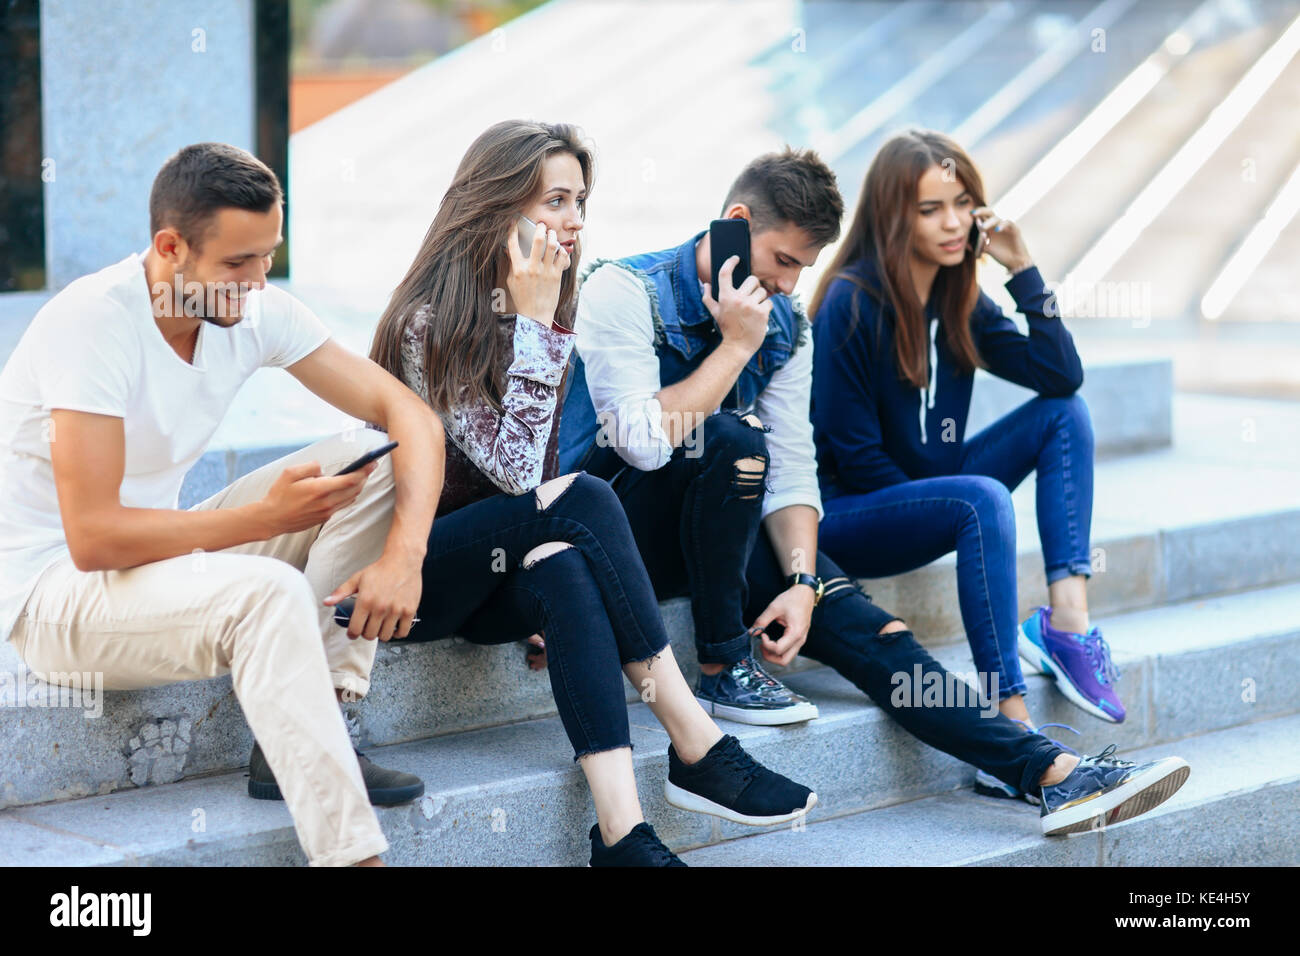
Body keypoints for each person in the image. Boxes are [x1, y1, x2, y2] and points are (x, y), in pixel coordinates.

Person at [559, 145, 1189, 834]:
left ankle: (1050, 773)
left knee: (880, 634)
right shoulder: (626, 289)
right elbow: (642, 445)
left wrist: (801, 580)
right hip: (620, 535)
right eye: (783, 260)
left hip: (724, 532)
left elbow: (794, 467)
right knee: (735, 441)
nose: (790, 284)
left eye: (804, 266)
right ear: (737, 222)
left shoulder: (785, 326)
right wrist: (734, 347)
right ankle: (723, 666)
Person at [368, 120, 816, 867]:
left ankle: (622, 837)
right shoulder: (426, 325)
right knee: (579, 500)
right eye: (555, 201)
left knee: (569, 560)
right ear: (495, 205)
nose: (574, 220)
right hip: (426, 575)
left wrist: (543, 320)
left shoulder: (552, 305)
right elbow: (515, 473)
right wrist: (540, 325)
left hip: (505, 575)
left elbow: (538, 476)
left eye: (581, 201)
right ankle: (698, 745)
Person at [0, 143, 443, 866]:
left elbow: (410, 416)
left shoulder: (253, 305)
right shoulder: (93, 324)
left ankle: (320, 711)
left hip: (165, 564)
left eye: (269, 256)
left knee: (368, 457)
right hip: (56, 597)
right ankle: (357, 858)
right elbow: (94, 540)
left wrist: (405, 557)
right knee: (269, 593)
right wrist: (264, 520)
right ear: (170, 248)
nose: (257, 281)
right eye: (238, 263)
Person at [807, 129, 1118, 799]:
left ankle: (1067, 625)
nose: (952, 223)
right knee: (978, 498)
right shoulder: (851, 305)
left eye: (962, 203)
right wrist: (951, 511)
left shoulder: (960, 300)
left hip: (932, 492)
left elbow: (1060, 375)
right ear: (894, 216)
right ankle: (1010, 727)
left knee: (1065, 416)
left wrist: (1023, 268)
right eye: (930, 209)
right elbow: (858, 463)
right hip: (844, 517)